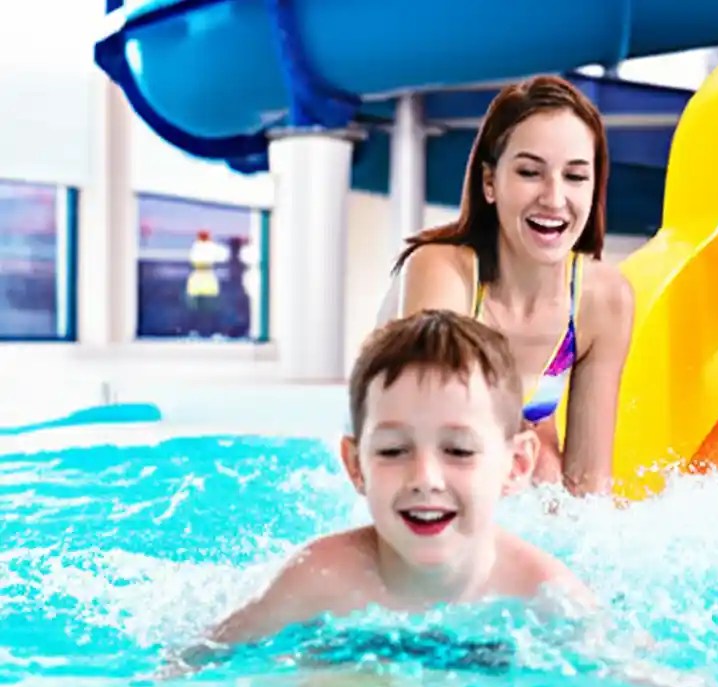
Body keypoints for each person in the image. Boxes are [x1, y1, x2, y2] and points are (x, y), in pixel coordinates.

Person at [197, 309, 597, 650]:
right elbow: (196, 664)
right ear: (356, 466)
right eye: (392, 451)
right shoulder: (318, 579)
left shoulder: (546, 596)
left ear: (516, 465)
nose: (424, 478)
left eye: (458, 451)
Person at [378, 75, 635, 496]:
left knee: (546, 472)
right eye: (530, 172)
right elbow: (424, 458)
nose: (554, 199)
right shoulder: (444, 275)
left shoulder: (603, 300)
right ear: (490, 183)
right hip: (414, 461)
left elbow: (590, 497)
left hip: (509, 454)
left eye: (575, 177)